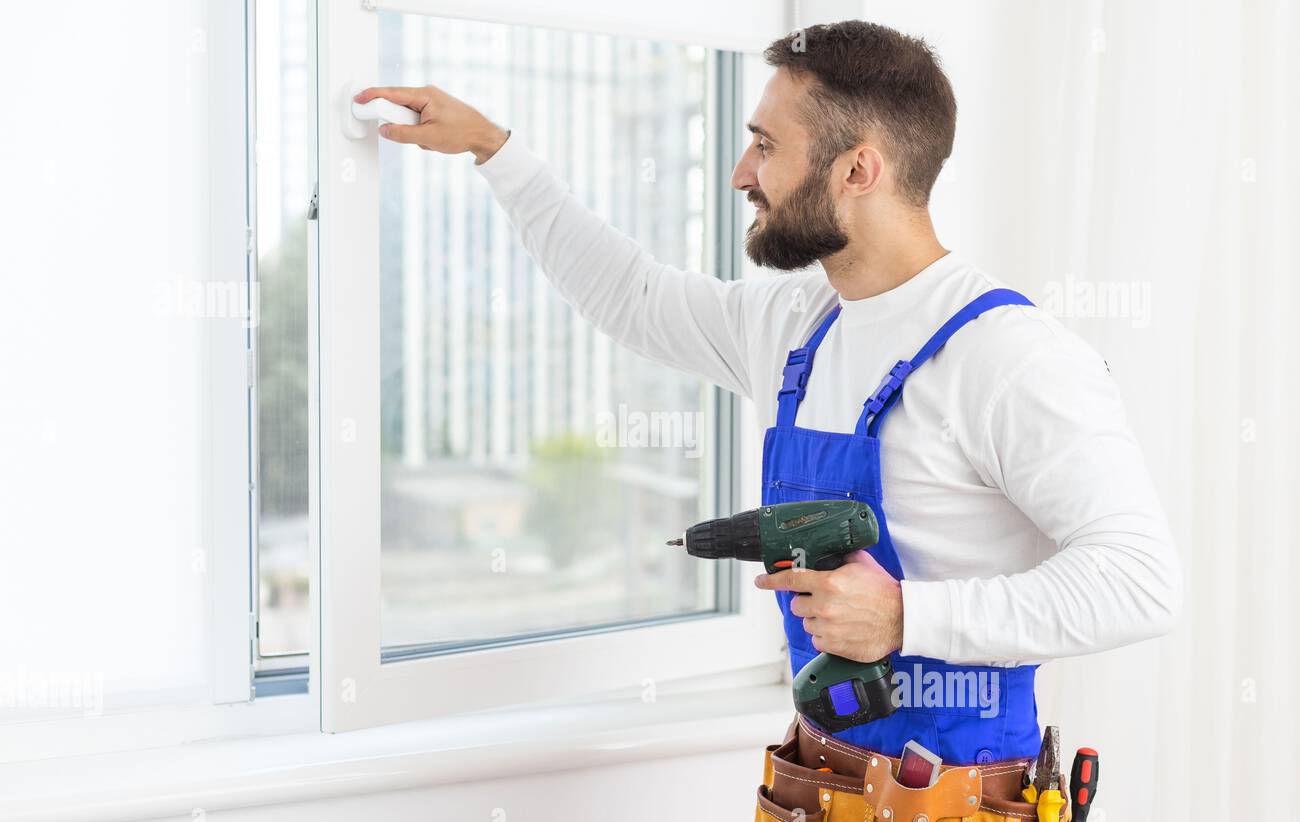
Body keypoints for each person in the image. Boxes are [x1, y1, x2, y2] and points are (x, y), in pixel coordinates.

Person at [356, 19, 1180, 778]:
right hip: (815, 794)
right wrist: (496, 152)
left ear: (858, 168)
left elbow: (1141, 581)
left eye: (765, 146)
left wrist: (906, 618)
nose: (741, 174)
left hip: (963, 819)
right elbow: (631, 296)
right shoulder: (798, 324)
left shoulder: (1008, 358)